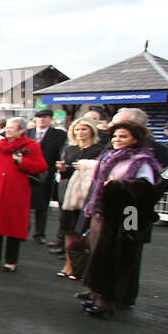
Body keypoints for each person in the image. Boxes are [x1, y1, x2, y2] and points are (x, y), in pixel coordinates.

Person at [78, 120, 164, 319]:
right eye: (115, 136)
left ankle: (107, 302)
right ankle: (97, 294)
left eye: (123, 136)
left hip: (126, 216)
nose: (117, 139)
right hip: (103, 214)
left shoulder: (142, 159)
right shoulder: (109, 155)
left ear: (135, 138)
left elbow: (146, 188)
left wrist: (120, 185)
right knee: (99, 255)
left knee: (118, 257)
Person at [0, 117, 46, 271]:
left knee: (14, 225)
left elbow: (41, 166)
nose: (8, 130)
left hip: (17, 192)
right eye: (8, 127)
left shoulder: (31, 146)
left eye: (12, 128)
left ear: (21, 130)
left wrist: (22, 162)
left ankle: (10, 261)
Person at [53, 118, 105, 280]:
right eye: (77, 129)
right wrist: (63, 170)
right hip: (69, 194)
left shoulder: (99, 150)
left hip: (89, 195)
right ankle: (69, 264)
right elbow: (66, 174)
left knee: (85, 231)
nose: (80, 133)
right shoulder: (70, 149)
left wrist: (86, 166)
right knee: (69, 229)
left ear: (91, 131)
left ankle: (82, 267)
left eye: (84, 129)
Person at [25, 108, 66, 246]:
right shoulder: (27, 133)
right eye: (39, 117)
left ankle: (39, 234)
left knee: (42, 206)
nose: (42, 119)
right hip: (27, 173)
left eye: (45, 117)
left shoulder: (59, 135)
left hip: (46, 175)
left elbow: (61, 153)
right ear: (35, 119)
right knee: (24, 204)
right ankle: (23, 231)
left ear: (51, 119)